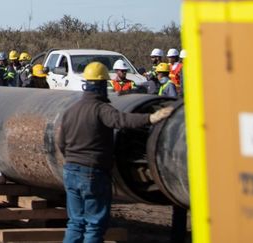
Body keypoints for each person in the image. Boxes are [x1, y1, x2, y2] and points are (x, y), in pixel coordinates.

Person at [57, 62, 172, 243]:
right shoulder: (101, 109)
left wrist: (73, 159)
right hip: (92, 172)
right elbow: (122, 120)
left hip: (70, 171)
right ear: (102, 85)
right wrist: (151, 118)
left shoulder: (71, 110)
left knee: (75, 222)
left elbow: (61, 143)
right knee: (94, 224)